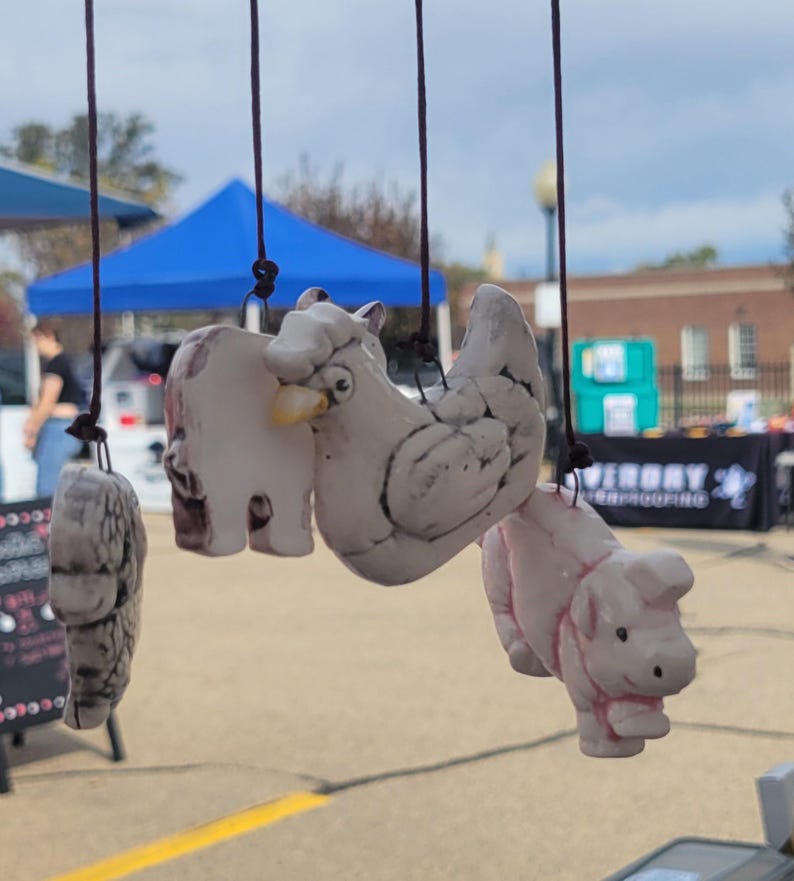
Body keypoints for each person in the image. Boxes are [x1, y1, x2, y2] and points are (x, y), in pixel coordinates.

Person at [23, 319, 84, 497]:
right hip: (69, 428)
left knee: (47, 487)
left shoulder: (57, 364)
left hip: (59, 428)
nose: (35, 347)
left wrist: (31, 428)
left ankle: (49, 523)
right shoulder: (68, 361)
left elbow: (47, 402)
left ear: (48, 337)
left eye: (36, 340)